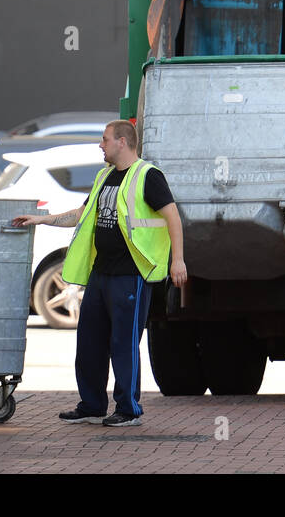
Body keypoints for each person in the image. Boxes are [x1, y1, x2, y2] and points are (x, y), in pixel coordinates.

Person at [12, 119, 186, 426]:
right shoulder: (104, 176)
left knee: (124, 343)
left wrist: (178, 260)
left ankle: (128, 409)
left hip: (131, 274)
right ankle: (92, 405)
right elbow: (83, 214)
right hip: (100, 273)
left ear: (122, 142)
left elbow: (172, 215)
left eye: (105, 140)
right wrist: (42, 219)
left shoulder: (147, 175)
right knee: (89, 342)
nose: (101, 145)